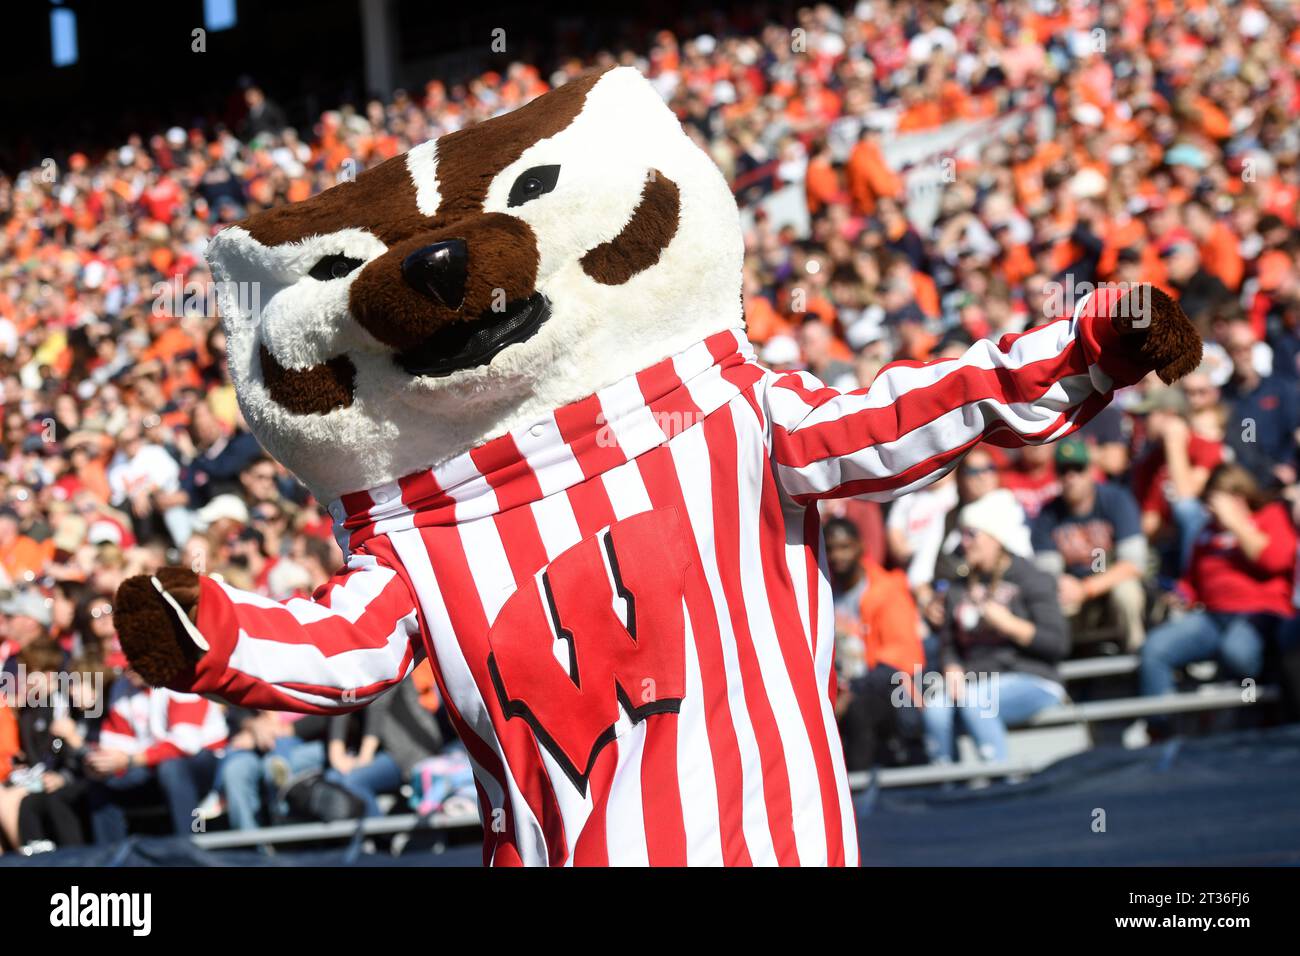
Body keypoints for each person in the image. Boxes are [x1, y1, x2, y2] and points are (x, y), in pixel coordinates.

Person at [1138, 464, 1298, 736]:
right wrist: (1182, 594)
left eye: (1215, 501)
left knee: (1237, 652)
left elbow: (1276, 561)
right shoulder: (1206, 531)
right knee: (1155, 649)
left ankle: (1261, 722)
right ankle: (1160, 732)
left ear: (1238, 496)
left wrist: (1237, 524)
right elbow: (1193, 581)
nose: (1210, 510)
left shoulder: (1270, 516)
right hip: (1212, 617)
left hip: (1259, 615)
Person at [924, 492, 1069, 765]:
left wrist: (1010, 625)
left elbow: (1058, 644)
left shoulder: (1031, 578)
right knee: (934, 709)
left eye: (972, 535)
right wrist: (952, 666)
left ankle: (1001, 782)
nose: (964, 543)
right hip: (974, 682)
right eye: (962, 535)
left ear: (995, 537)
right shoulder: (959, 586)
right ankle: (947, 790)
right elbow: (948, 643)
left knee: (979, 700)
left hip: (1032, 676)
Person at [825, 518, 925, 770]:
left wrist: (853, 691)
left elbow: (902, 657)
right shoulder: (820, 594)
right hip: (835, 691)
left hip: (886, 691)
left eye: (844, 546)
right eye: (830, 548)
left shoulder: (886, 589)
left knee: (860, 711)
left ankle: (858, 794)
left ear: (860, 547)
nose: (837, 556)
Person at [84, 671, 228, 843]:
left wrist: (128, 760)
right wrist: (101, 765)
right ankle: (111, 858)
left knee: (171, 768)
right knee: (102, 784)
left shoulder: (183, 677)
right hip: (151, 764)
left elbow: (185, 745)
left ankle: (189, 850)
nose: (126, 670)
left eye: (132, 663)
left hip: (206, 765)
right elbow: (115, 745)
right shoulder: (122, 685)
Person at [1032, 438, 1147, 650]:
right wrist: (1068, 587)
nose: (1071, 477)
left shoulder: (1117, 500)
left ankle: (1137, 652)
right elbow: (1047, 572)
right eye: (1064, 470)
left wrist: (1087, 588)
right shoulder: (1048, 514)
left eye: (1078, 469)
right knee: (1047, 599)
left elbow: (1134, 564)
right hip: (1073, 589)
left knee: (1127, 592)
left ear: (1091, 471)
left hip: (1109, 581)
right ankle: (1059, 662)